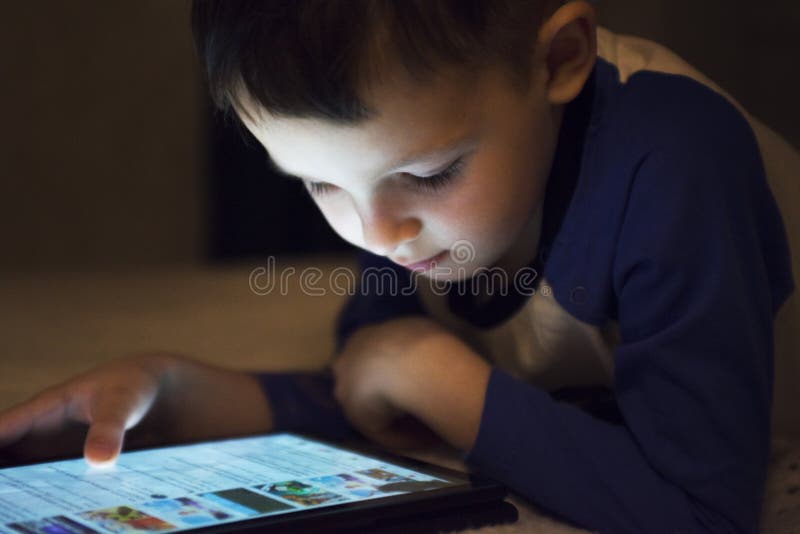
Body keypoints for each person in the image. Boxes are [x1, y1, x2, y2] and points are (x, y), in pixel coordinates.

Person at [1, 1, 797, 532]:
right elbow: (369, 389)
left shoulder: (675, 169)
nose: (375, 230)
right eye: (319, 182)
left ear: (556, 59)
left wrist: (440, 380)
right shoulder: (399, 214)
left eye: (429, 173)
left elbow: (703, 505)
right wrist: (170, 394)